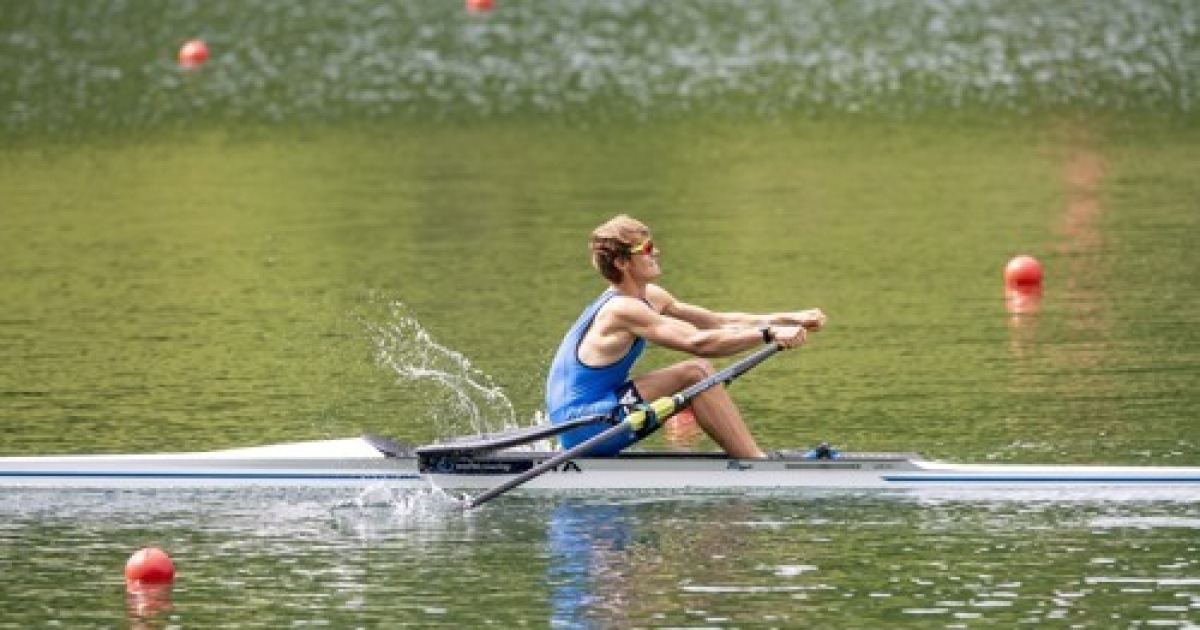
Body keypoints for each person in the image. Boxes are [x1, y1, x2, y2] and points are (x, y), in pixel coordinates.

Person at [545, 215, 826, 459]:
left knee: (696, 375)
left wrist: (791, 318)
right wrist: (769, 334)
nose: (657, 252)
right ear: (621, 262)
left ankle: (740, 455)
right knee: (696, 372)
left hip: (599, 411)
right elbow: (698, 343)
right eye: (647, 249)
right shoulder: (622, 310)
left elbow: (717, 322)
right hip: (581, 425)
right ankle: (755, 462)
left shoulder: (649, 296)